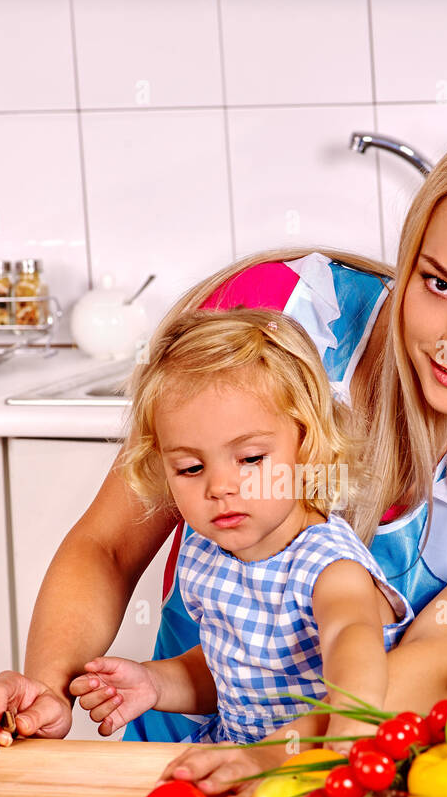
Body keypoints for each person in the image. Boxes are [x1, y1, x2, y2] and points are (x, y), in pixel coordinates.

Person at [0, 120, 447, 797]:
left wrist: (279, 757)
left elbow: (429, 666)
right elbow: (108, 545)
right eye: (438, 285)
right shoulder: (282, 317)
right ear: (410, 260)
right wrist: (44, 686)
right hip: (157, 773)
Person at [76, 307, 412, 745]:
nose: (219, 487)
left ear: (305, 445)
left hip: (316, 771)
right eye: (191, 468)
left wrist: (348, 729)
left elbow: (352, 639)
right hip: (236, 762)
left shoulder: (329, 567)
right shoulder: (205, 555)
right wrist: (155, 683)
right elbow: (224, 674)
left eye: (250, 459)